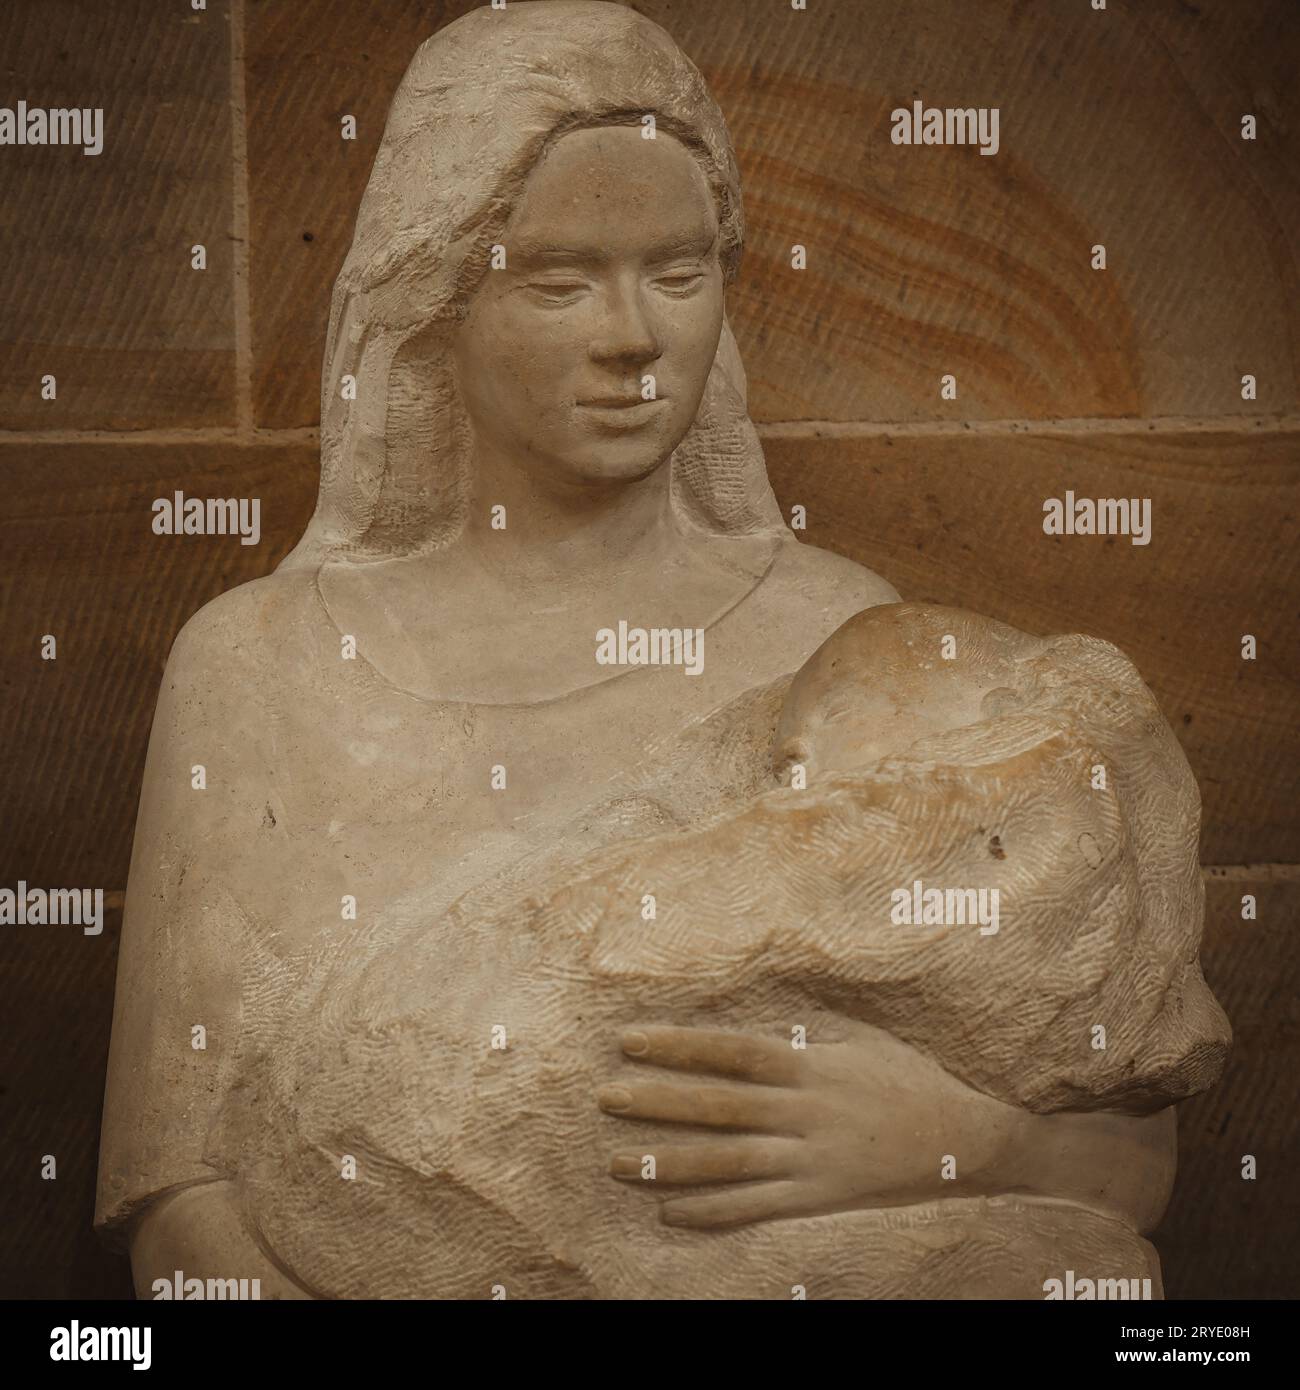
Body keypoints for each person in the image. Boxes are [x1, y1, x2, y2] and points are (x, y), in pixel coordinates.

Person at [96, 2, 1225, 1299]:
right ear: (435, 304)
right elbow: (180, 1210)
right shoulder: (261, 664)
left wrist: (957, 1141)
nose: (632, 336)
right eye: (560, 280)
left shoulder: (840, 637)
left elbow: (1125, 1145)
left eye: (680, 275)